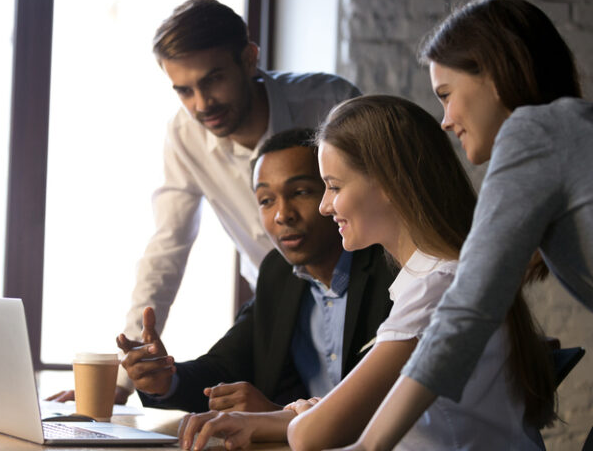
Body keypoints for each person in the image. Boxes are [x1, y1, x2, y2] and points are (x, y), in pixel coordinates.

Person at [180, 96, 556, 451]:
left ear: (390, 182)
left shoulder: (435, 289)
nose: (327, 206)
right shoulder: (435, 280)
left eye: (333, 187)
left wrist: (303, 416)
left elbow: (314, 434)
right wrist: (288, 416)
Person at [47, 0, 361, 404]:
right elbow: (167, 247)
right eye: (184, 90)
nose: (201, 104)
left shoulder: (329, 103)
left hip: (358, 288)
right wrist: (126, 379)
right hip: (278, 303)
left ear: (249, 58)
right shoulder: (185, 135)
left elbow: (389, 198)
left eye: (212, 80)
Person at [344, 0, 593, 451]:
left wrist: (368, 446)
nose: (445, 120)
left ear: (494, 77)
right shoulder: (567, 132)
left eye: (446, 95)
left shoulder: (533, 133)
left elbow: (468, 311)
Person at [117, 128, 394, 424]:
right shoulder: (279, 273)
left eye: (300, 192)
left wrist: (276, 414)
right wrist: (165, 379)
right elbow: (224, 369)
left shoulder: (389, 268)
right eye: (266, 200)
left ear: (332, 194)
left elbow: (392, 406)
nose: (282, 214)